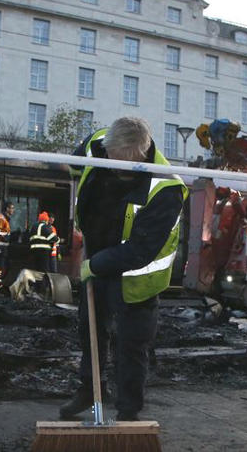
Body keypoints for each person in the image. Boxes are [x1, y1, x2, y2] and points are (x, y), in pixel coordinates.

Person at [60, 116, 187, 421]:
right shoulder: (99, 144)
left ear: (142, 155)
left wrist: (95, 265)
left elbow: (141, 251)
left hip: (137, 275)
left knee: (132, 344)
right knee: (90, 332)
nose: (118, 167)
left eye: (126, 163)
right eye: (113, 159)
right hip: (98, 254)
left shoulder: (166, 189)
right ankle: (90, 389)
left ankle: (129, 411)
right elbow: (74, 165)